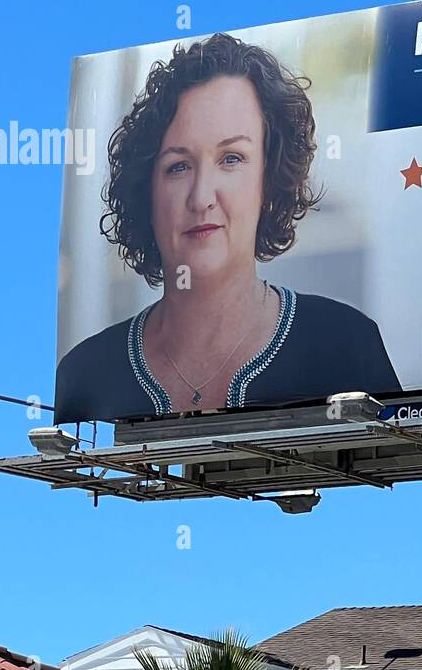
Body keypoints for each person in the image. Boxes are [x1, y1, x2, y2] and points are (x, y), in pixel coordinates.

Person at [55, 33, 400, 424]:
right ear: (146, 194)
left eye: (231, 158)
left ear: (268, 183)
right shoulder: (82, 376)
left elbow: (412, 476)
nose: (201, 197)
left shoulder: (347, 346)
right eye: (178, 166)